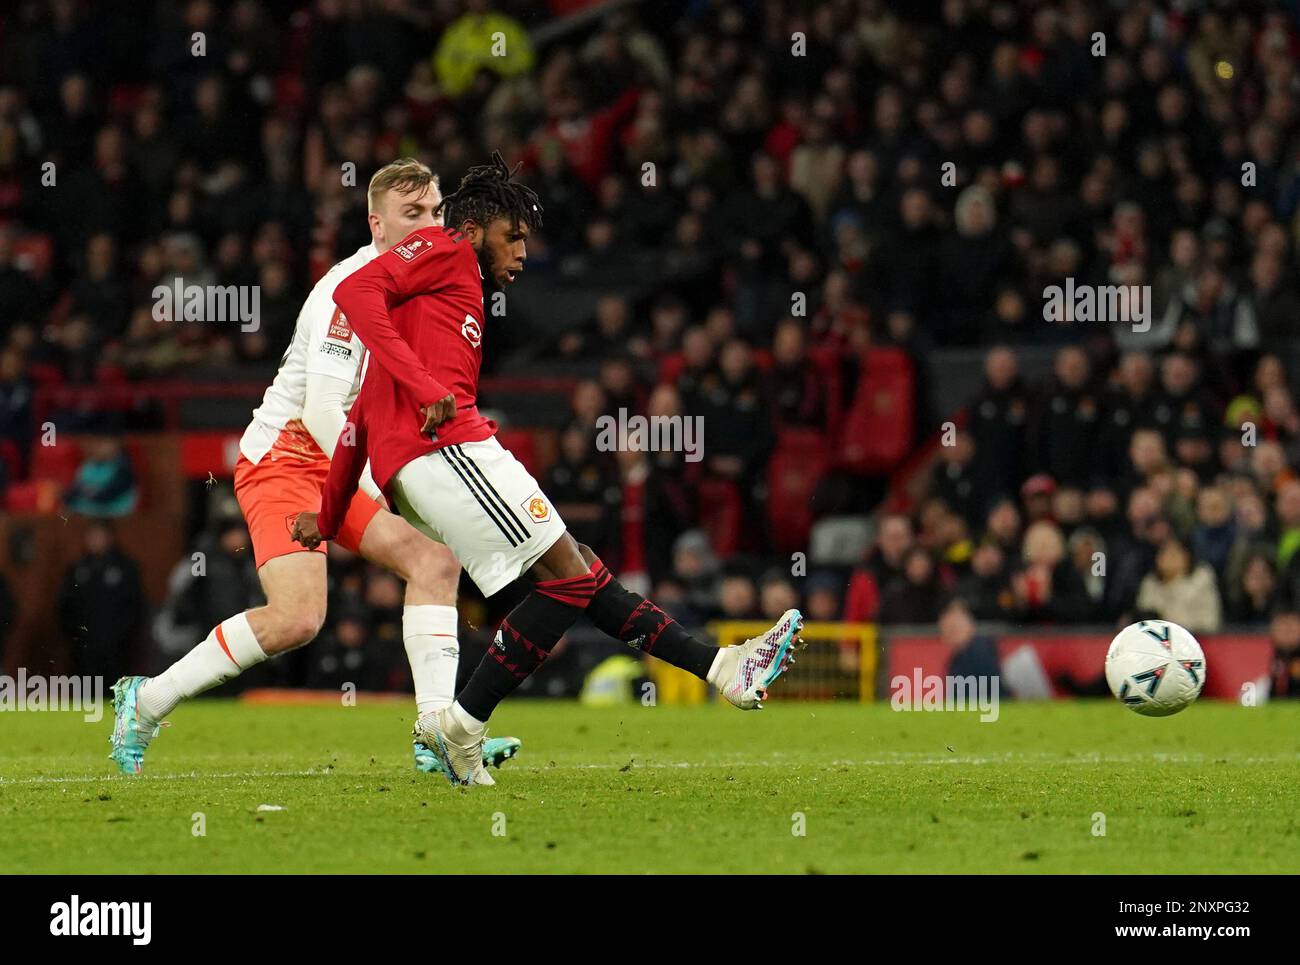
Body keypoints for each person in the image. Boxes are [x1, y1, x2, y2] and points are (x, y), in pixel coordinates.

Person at [294, 153, 803, 786]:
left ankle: (724, 668)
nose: (524, 252)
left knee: (576, 567)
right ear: (477, 228)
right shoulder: (446, 247)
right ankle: (461, 727)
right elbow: (354, 289)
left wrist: (328, 514)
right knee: (567, 579)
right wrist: (428, 390)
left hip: (429, 467)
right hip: (448, 454)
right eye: (515, 235)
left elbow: (357, 424)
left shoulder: (422, 313)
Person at [108, 159, 519, 775]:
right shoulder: (344, 289)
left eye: (435, 212)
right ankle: (147, 700)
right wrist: (389, 486)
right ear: (376, 222)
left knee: (434, 561)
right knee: (298, 619)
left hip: (347, 459)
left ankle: (435, 729)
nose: (428, 224)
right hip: (287, 459)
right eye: (413, 214)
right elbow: (326, 410)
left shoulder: (424, 281)